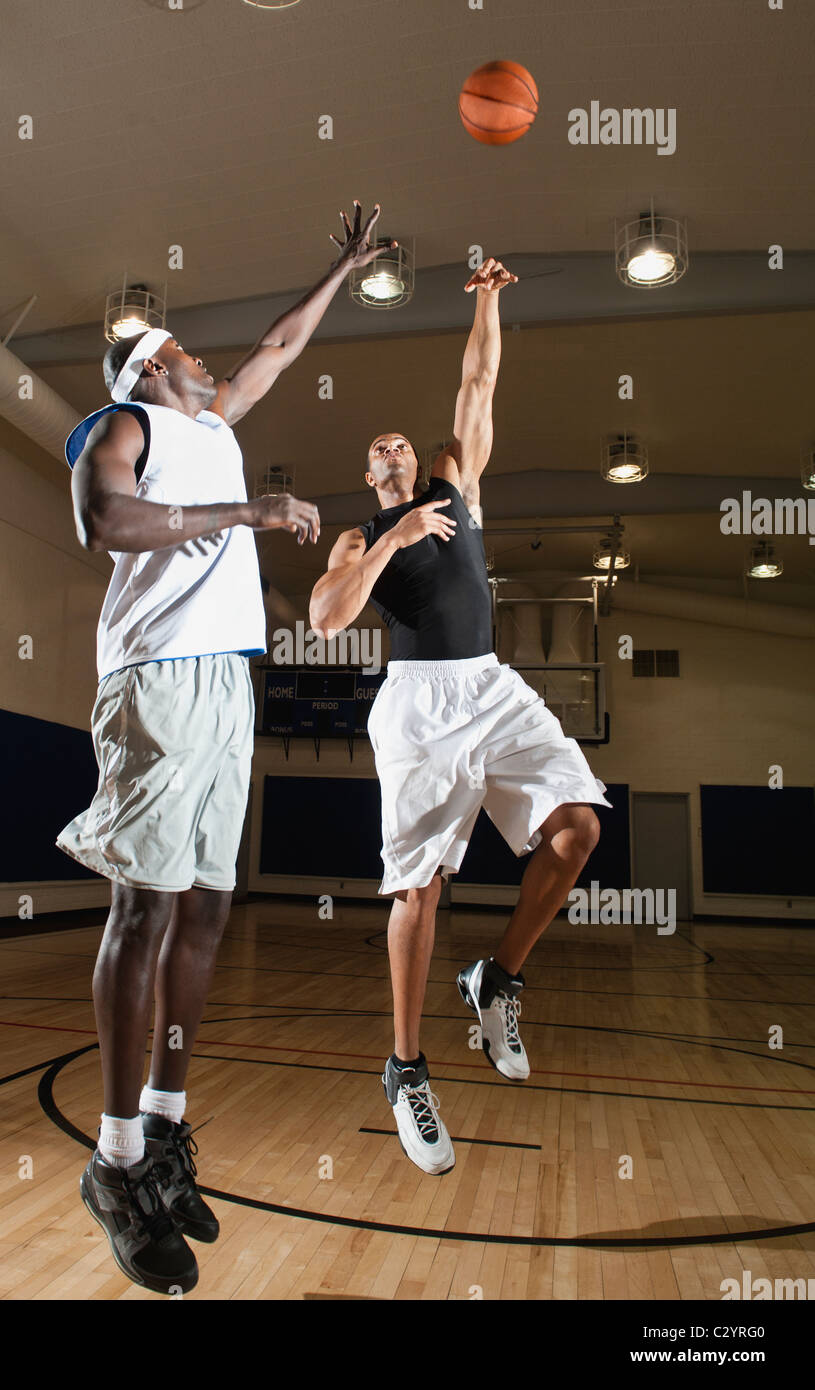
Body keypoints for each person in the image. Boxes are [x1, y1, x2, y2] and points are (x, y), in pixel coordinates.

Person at [58, 202, 393, 1292]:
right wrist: (245, 516)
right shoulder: (128, 429)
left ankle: (162, 1132)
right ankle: (111, 1163)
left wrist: (338, 265)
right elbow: (108, 524)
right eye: (189, 355)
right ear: (153, 371)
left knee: (206, 905)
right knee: (143, 906)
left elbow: (280, 345)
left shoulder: (214, 422)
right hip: (155, 679)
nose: (211, 364)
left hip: (226, 680)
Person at [309, 256, 611, 1176]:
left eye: (403, 443)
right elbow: (325, 620)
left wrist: (483, 299)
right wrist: (393, 536)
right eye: (380, 448)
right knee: (418, 890)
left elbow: (479, 381)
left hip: (489, 684)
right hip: (413, 705)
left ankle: (497, 978)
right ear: (369, 474)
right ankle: (405, 1068)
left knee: (576, 831)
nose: (395, 448)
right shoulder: (362, 535)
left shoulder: (457, 486)